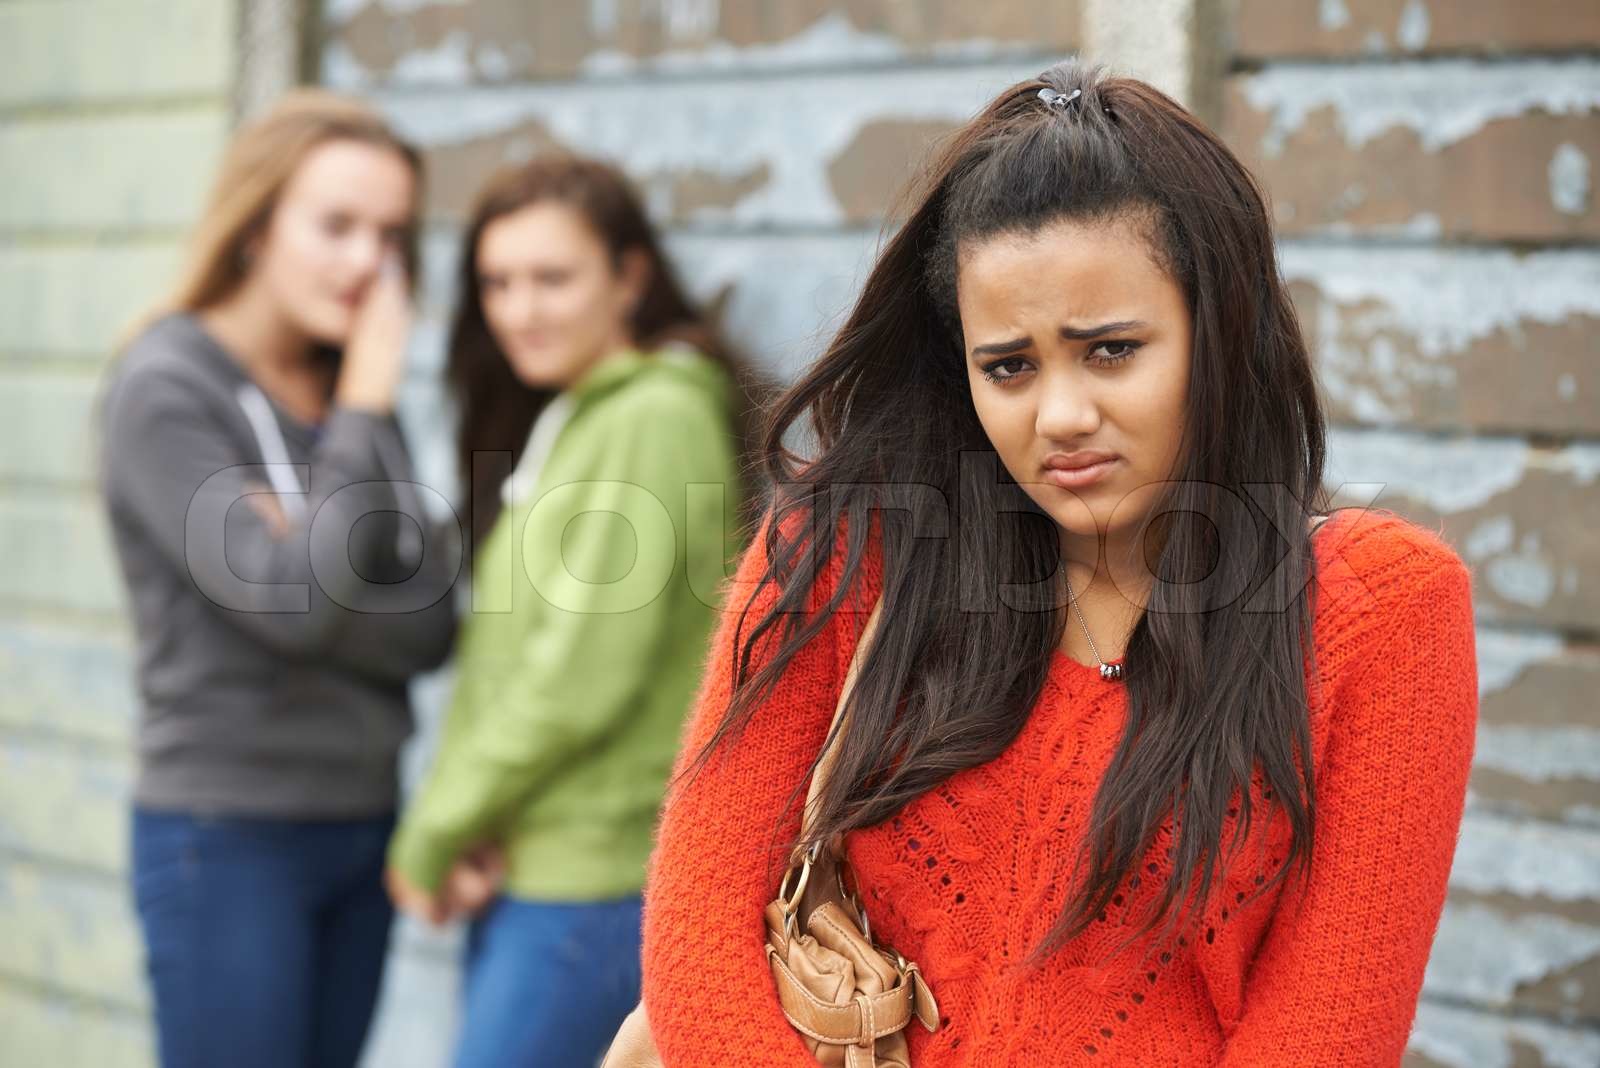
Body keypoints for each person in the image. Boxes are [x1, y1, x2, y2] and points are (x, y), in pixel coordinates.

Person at [637, 62, 1478, 1065]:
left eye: (1111, 350)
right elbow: (695, 953)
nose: (1061, 417)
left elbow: (1328, 1035)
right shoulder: (840, 552)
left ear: (1220, 330)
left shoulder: (1380, 611)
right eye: (1009, 366)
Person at [98, 91, 459, 1068]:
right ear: (257, 226)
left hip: (360, 824)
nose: (364, 264)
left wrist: (310, 558)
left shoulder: (342, 392)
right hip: (227, 836)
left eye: (389, 234)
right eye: (335, 225)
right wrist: (365, 416)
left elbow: (430, 624)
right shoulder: (168, 387)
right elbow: (298, 604)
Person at [384, 156, 752, 1068]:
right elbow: (514, 658)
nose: (520, 310)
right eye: (498, 282)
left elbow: (580, 675)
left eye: (552, 278)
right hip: (538, 865)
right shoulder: (580, 415)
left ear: (629, 276)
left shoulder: (653, 416)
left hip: (595, 880)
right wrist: (484, 823)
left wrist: (434, 832)